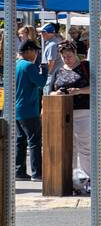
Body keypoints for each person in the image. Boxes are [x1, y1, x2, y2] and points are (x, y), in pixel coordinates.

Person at [49, 40, 92, 194]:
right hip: (64, 113)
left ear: (75, 53)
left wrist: (79, 91)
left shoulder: (85, 67)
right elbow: (50, 91)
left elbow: (94, 88)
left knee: (85, 147)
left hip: (84, 112)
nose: (67, 59)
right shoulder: (58, 70)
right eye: (64, 56)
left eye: (70, 55)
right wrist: (57, 93)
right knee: (69, 148)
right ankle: (73, 181)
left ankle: (88, 180)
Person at [15, 40, 46, 181]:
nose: (37, 53)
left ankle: (19, 171)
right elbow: (41, 83)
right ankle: (37, 173)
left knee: (20, 141)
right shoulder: (29, 66)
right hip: (29, 110)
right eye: (35, 50)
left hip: (17, 109)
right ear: (28, 51)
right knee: (34, 142)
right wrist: (44, 70)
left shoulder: (16, 65)